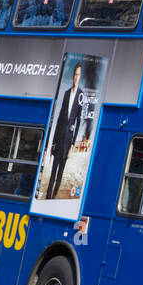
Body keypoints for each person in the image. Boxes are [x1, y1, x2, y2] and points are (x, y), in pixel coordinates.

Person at [44, 62, 87, 200]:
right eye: (75, 74)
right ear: (72, 76)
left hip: (68, 141)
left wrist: (73, 146)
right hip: (59, 138)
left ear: (80, 77)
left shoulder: (81, 95)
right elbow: (59, 118)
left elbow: (79, 120)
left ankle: (54, 194)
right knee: (53, 171)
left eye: (78, 75)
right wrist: (53, 142)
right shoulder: (66, 93)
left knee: (61, 172)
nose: (76, 77)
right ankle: (48, 195)